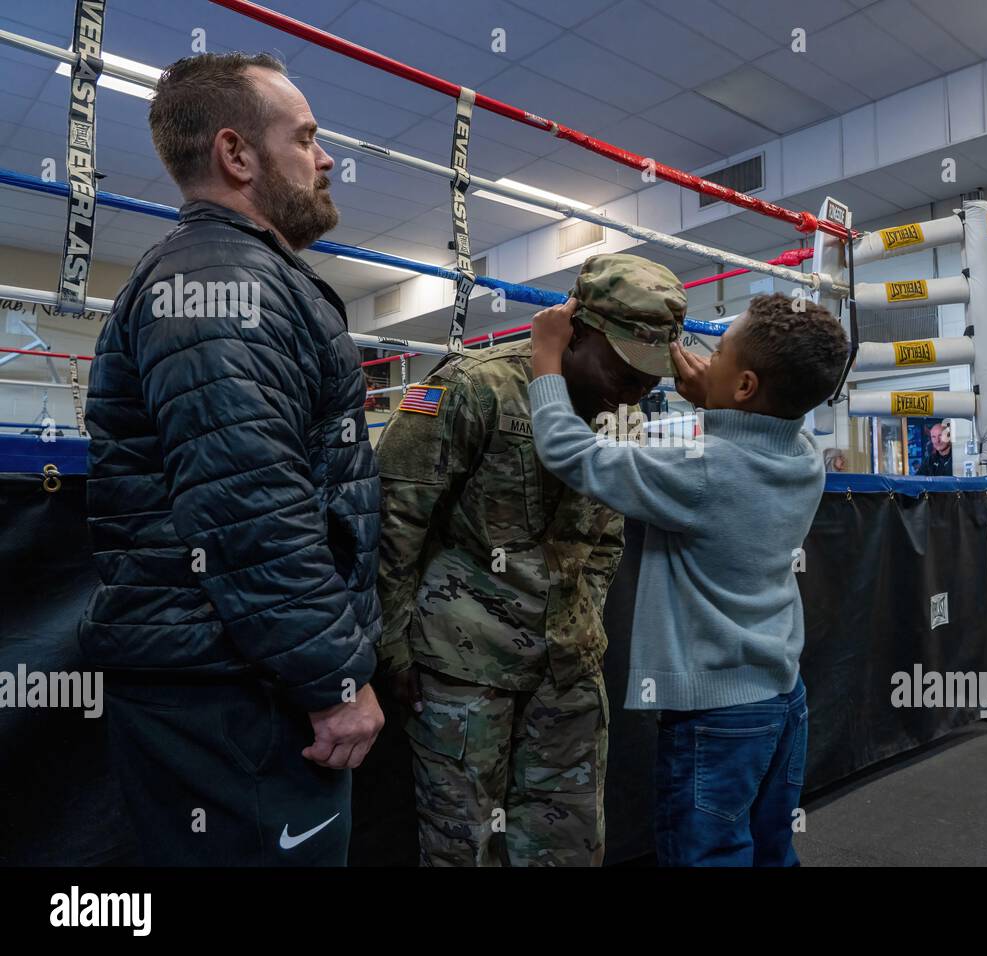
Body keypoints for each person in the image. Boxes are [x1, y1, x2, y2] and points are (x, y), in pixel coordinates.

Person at [79, 53, 384, 866]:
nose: (325, 159)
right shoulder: (222, 282)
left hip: (235, 681)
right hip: (235, 696)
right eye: (308, 138)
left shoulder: (243, 275)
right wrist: (334, 680)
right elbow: (249, 510)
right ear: (236, 154)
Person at [376, 253, 685, 866]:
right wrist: (394, 643)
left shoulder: (624, 414)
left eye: (652, 379)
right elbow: (396, 516)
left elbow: (605, 539)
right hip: (463, 664)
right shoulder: (467, 385)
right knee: (461, 848)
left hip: (568, 669)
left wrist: (583, 615)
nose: (638, 390)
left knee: (567, 846)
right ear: (577, 330)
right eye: (626, 369)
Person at [527, 292, 850, 867]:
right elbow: (754, 435)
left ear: (746, 386)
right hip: (782, 696)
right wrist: (715, 400)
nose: (703, 358)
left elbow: (569, 452)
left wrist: (547, 360)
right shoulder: (803, 455)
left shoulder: (700, 470)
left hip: (716, 713)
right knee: (771, 847)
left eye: (718, 351)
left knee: (706, 854)